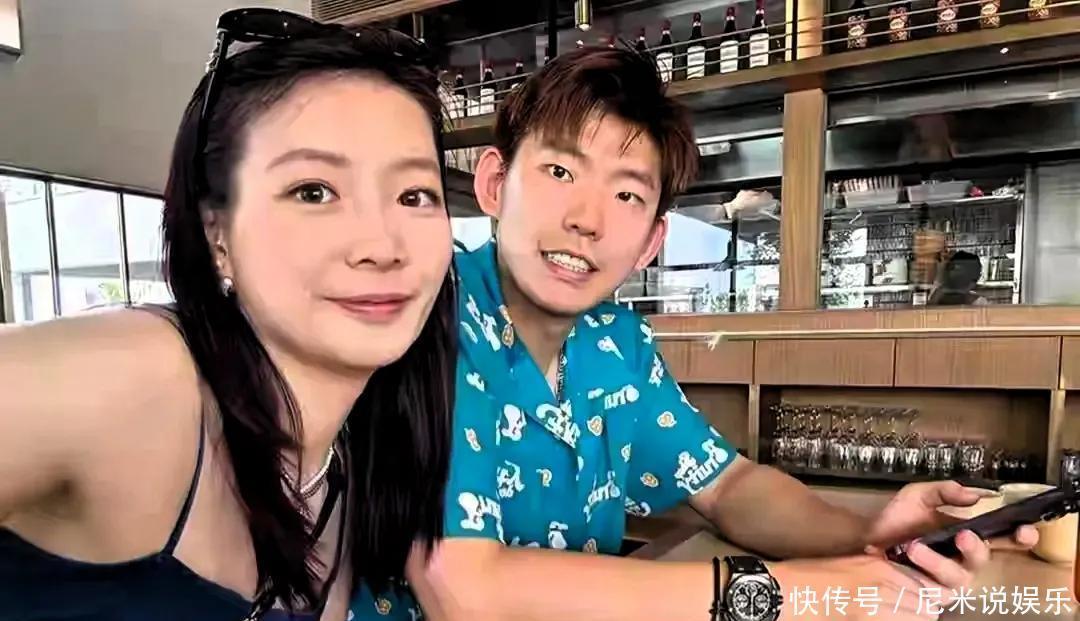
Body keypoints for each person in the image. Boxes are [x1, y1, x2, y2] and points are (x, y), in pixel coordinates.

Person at [350, 46, 1036, 621]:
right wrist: (785, 593)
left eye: (626, 193)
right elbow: (465, 589)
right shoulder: (427, 315)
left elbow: (729, 486)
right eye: (560, 171)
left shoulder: (615, 342)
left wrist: (869, 531)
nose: (587, 219)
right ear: (496, 184)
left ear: (651, 242)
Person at [0, 9, 457, 621]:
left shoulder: (352, 472)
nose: (382, 244)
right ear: (217, 232)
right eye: (314, 191)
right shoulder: (141, 379)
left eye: (414, 195)